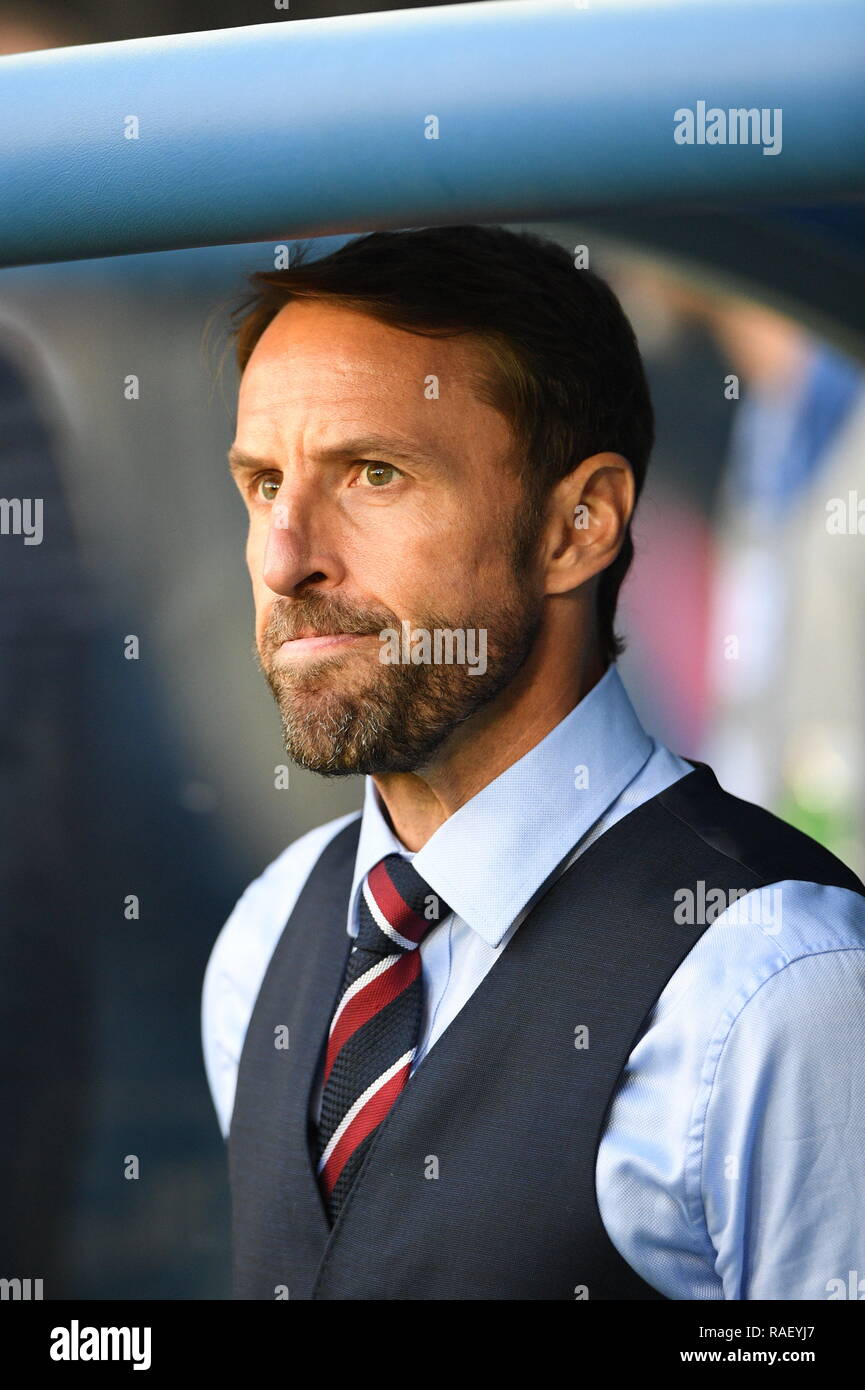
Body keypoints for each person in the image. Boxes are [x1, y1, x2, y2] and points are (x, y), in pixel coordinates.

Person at [201, 225, 865, 1301]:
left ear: (578, 524)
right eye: (263, 482)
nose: (284, 556)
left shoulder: (781, 989)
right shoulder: (266, 938)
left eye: (374, 473)